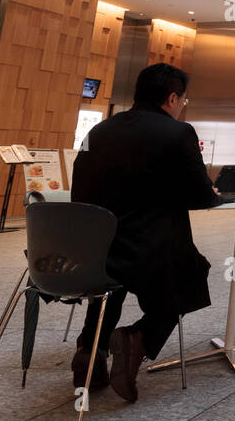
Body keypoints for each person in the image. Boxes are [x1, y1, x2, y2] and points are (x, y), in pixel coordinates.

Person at [69, 63, 219, 403]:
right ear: (171, 98)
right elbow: (201, 196)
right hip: (147, 255)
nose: (183, 106)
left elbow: (81, 191)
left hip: (94, 253)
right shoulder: (178, 133)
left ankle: (89, 351)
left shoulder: (99, 131)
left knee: (113, 285)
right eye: (183, 99)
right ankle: (138, 340)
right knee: (192, 275)